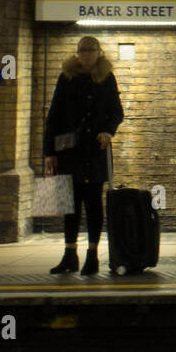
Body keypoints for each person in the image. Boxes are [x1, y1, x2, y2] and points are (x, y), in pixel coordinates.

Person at [43, 36, 124, 275]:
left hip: (94, 151)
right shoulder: (66, 77)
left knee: (92, 203)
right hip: (68, 151)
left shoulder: (106, 78)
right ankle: (69, 255)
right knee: (69, 204)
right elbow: (54, 116)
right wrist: (49, 152)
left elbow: (116, 112)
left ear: (99, 53)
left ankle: (92, 255)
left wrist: (108, 131)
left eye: (91, 50)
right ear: (76, 53)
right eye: (82, 50)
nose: (86, 54)